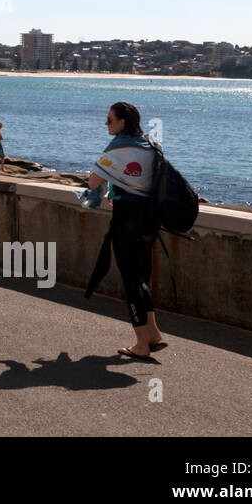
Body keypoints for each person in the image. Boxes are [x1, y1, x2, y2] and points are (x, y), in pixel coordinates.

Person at [82, 102, 164, 360]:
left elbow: (94, 181)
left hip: (126, 220)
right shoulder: (151, 144)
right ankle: (153, 333)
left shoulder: (118, 147)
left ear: (122, 123)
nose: (106, 124)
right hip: (150, 220)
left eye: (109, 120)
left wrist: (107, 185)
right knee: (141, 276)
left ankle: (141, 344)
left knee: (131, 280)